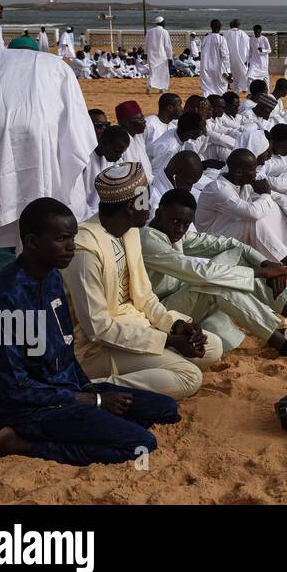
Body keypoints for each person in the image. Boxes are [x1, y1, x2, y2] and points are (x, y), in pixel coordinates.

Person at [0, 197, 182, 465]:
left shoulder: (52, 277)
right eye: (62, 239)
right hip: (28, 410)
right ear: (33, 242)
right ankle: (21, 444)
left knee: (165, 409)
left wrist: (91, 391)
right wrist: (91, 401)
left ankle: (82, 428)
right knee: (141, 443)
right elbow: (15, 389)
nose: (72, 247)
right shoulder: (2, 299)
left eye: (73, 237)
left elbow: (65, 349)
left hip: (69, 391)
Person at [63, 163, 224, 400]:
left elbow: (145, 296)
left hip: (135, 325)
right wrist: (167, 340)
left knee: (213, 347)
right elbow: (98, 330)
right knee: (189, 377)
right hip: (95, 349)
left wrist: (173, 325)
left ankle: (156, 363)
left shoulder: (129, 231)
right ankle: (89, 388)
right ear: (131, 206)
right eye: (146, 201)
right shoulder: (85, 251)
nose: (150, 207)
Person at [0, 48, 98, 306]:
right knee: (36, 220)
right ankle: (33, 295)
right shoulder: (54, 66)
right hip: (40, 146)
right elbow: (74, 123)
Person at [142, 190, 287, 357]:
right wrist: (259, 273)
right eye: (175, 221)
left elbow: (231, 245)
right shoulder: (149, 240)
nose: (180, 229)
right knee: (217, 283)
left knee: (235, 255)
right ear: (159, 214)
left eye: (186, 224)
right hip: (162, 313)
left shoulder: (173, 235)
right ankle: (283, 344)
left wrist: (265, 263)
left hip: (183, 301)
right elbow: (200, 273)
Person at [199, 19, 231, 96]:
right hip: (219, 68)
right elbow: (225, 55)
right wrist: (228, 70)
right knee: (221, 89)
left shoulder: (205, 38)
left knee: (207, 89)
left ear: (211, 27)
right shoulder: (221, 39)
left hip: (206, 67)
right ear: (220, 27)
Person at [144, 16, 173, 94]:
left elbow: (146, 44)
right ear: (162, 23)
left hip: (151, 55)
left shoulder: (149, 31)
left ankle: (149, 87)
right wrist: (170, 57)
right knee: (162, 73)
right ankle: (162, 89)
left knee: (152, 72)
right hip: (161, 56)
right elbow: (167, 45)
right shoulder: (164, 32)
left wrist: (145, 53)